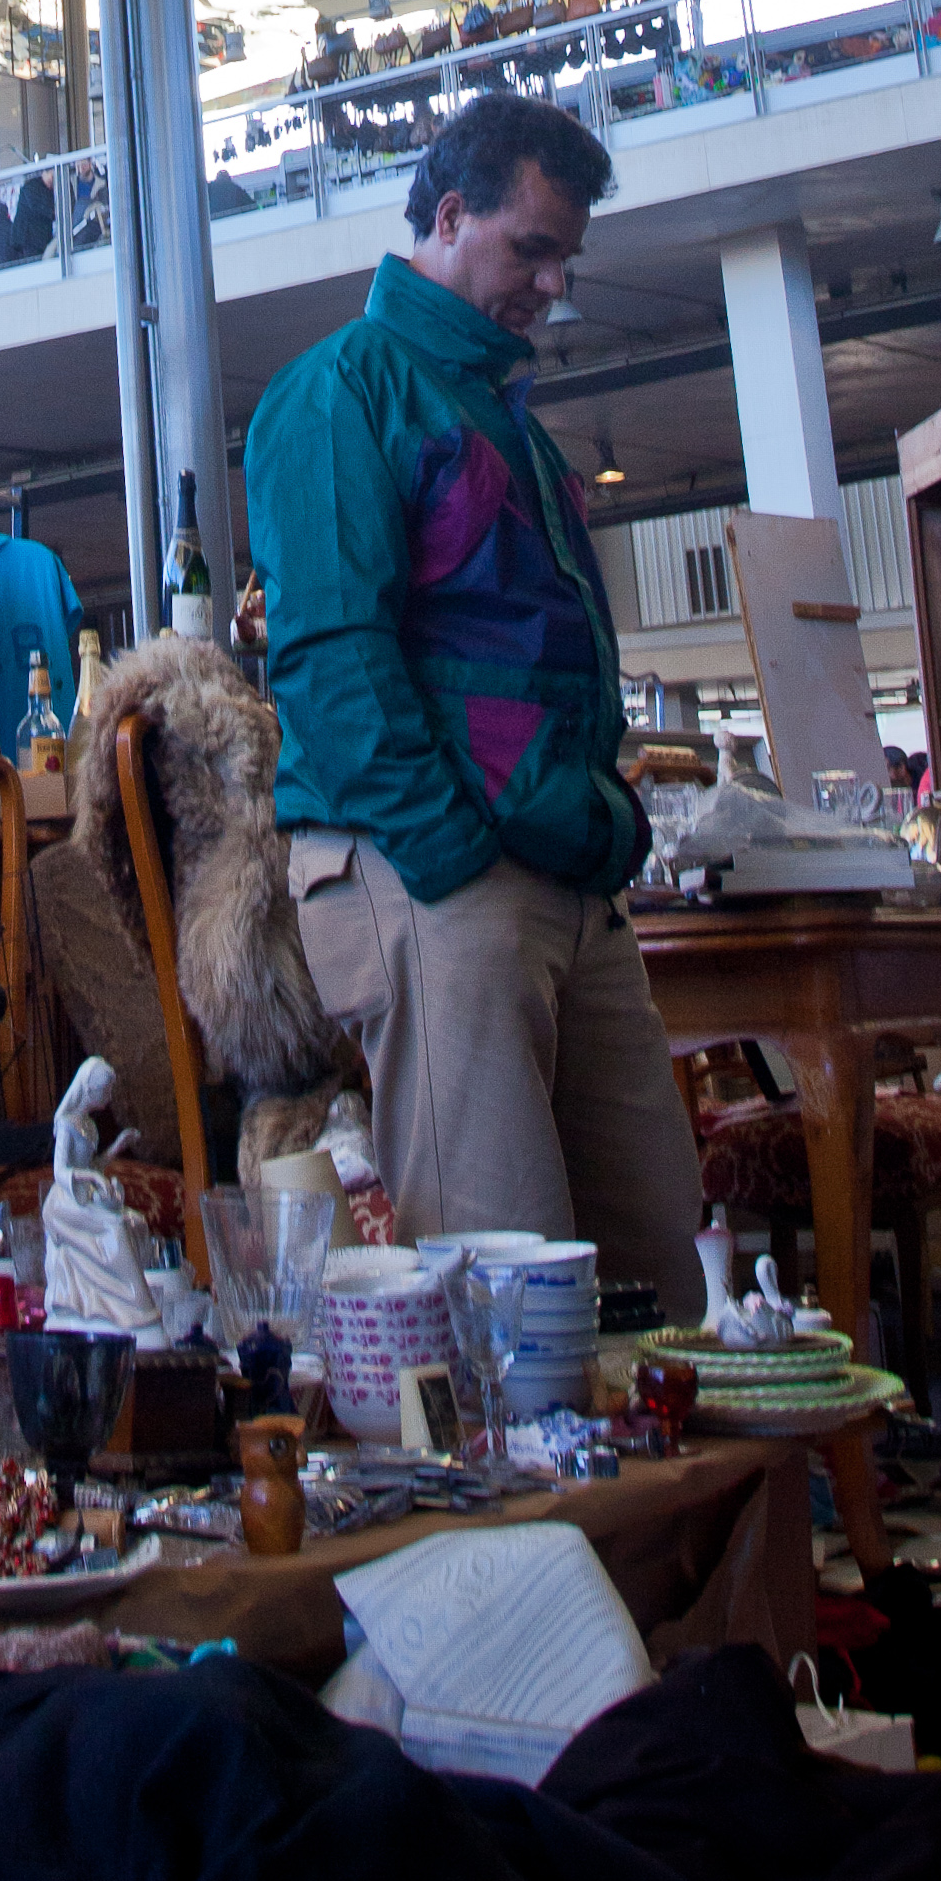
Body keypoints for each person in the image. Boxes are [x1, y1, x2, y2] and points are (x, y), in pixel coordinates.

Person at [247, 88, 702, 1306]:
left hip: (545, 871)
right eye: (533, 249)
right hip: (440, 872)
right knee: (507, 1298)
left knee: (661, 1269)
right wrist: (451, 863)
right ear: (449, 215)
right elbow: (334, 661)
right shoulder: (339, 392)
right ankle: (524, 1506)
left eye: (566, 258)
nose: (554, 284)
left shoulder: (488, 408)